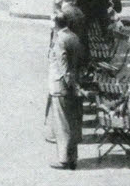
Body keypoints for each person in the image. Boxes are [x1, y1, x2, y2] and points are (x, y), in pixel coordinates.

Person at [44, 10, 86, 170]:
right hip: (73, 84)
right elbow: (81, 61)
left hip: (62, 87)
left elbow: (63, 68)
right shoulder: (74, 37)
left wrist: (72, 86)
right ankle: (73, 157)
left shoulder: (60, 40)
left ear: (55, 24)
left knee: (62, 126)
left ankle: (63, 160)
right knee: (73, 123)